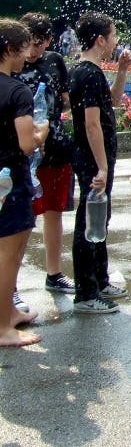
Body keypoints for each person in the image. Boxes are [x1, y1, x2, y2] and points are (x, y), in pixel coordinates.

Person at [69, 12, 131, 313]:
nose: (116, 40)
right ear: (100, 40)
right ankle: (86, 292)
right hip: (93, 158)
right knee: (89, 220)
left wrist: (121, 70)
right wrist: (103, 167)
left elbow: (115, 101)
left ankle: (100, 278)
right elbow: (92, 124)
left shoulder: (91, 72)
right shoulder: (88, 74)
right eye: (113, 35)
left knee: (99, 218)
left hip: (96, 157)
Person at [14, 12, 75, 306]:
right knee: (20, 221)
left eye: (38, 43)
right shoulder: (12, 64)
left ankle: (54, 273)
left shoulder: (55, 61)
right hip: (22, 153)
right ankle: (10, 286)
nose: (32, 50)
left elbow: (64, 99)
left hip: (55, 149)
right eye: (28, 43)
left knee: (54, 211)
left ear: (49, 40)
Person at [0, 19, 49, 346]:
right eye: (21, 50)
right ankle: (3, 326)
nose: (25, 56)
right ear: (8, 50)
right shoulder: (16, 90)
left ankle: (9, 313)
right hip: (11, 178)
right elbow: (26, 144)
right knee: (9, 254)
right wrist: (41, 133)